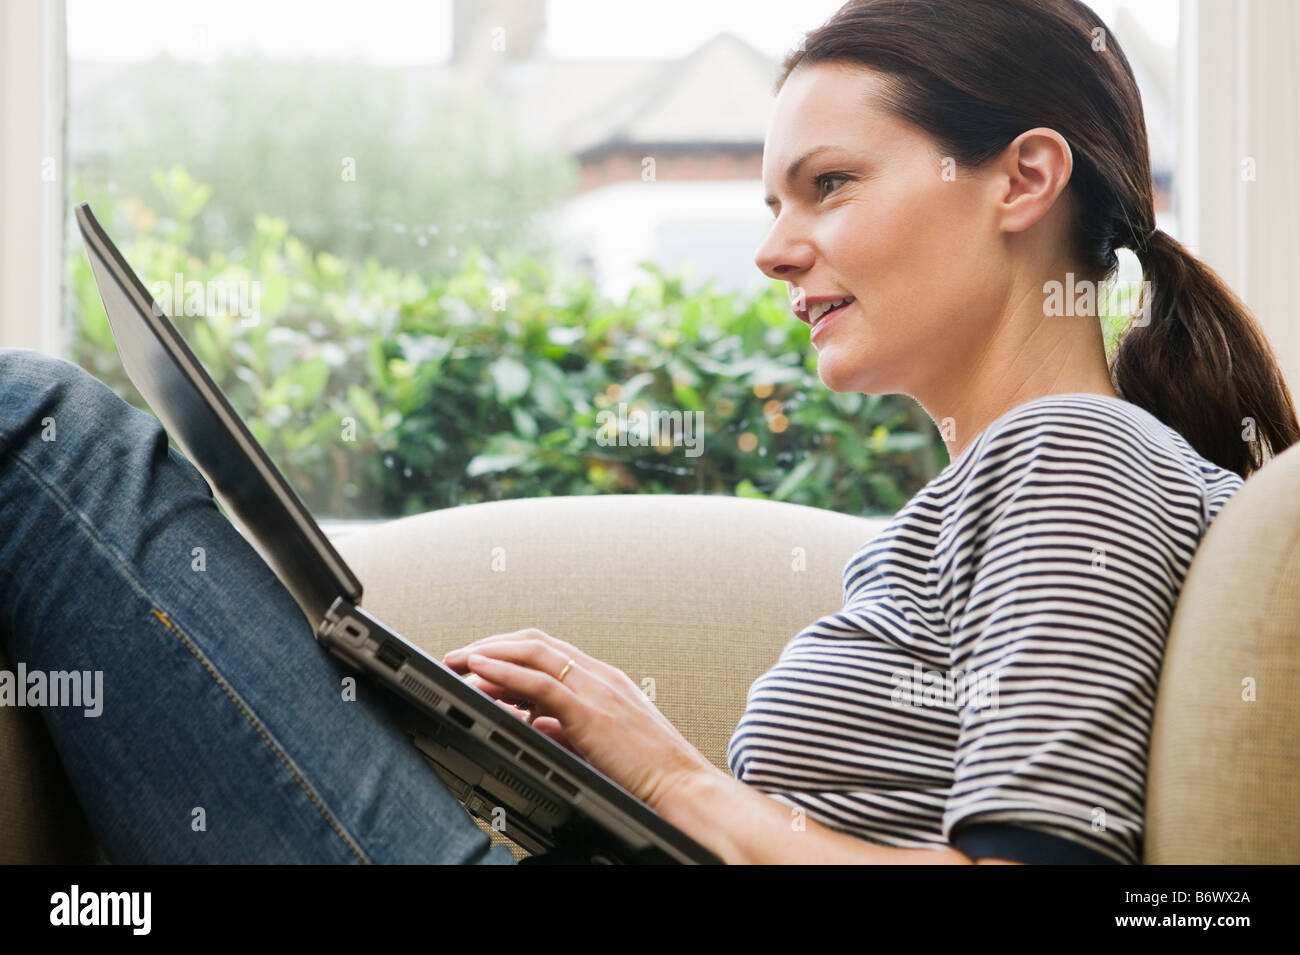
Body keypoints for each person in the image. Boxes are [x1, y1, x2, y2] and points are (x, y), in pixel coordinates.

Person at [2, 0, 1296, 864]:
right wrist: (641, 775)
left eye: (830, 185)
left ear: (1023, 178)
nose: (775, 249)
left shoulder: (1073, 455)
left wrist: (682, 790)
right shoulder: (995, 489)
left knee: (43, 427)